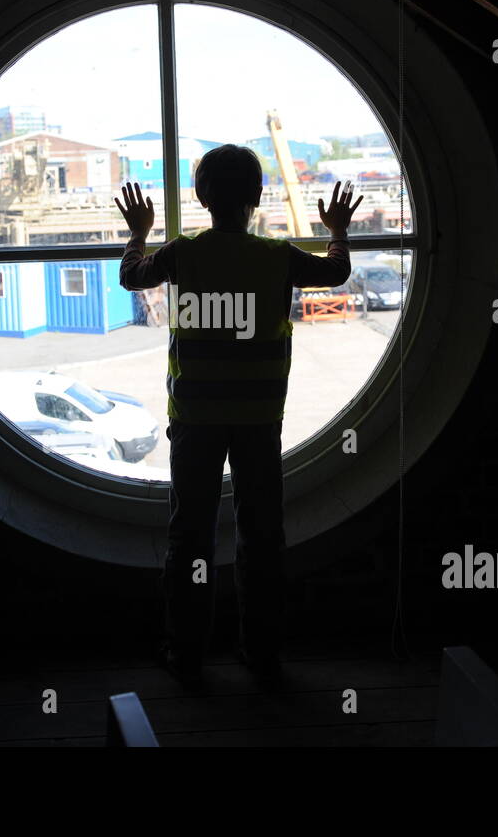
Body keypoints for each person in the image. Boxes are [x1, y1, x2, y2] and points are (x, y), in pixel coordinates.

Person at [116, 144, 361, 691]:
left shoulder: (182, 253)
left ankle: (185, 652)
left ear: (201, 199)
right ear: (257, 197)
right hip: (257, 419)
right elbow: (337, 271)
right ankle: (263, 651)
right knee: (262, 536)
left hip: (196, 419)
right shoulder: (277, 256)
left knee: (190, 535)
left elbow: (131, 277)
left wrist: (139, 230)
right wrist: (338, 228)